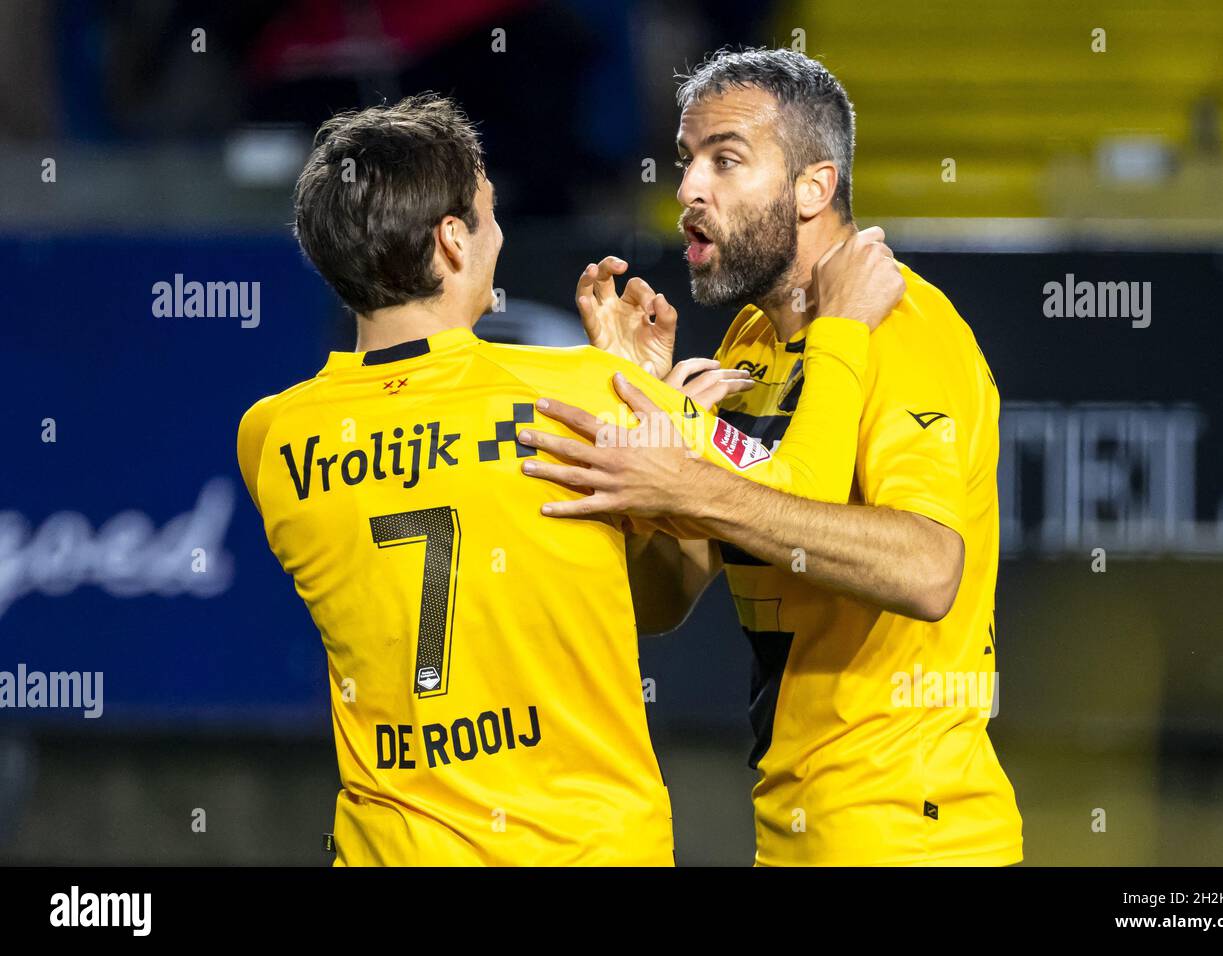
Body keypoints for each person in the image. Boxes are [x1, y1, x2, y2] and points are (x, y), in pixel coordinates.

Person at [235, 92, 903, 865]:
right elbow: (799, 502)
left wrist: (644, 416)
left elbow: (557, 560)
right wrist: (841, 330)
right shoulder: (585, 393)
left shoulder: (273, 437)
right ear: (452, 241)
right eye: (488, 213)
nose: (501, 234)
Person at [523, 48, 1023, 866]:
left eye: (725, 160)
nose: (688, 188)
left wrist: (694, 471)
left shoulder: (908, 332)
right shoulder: (750, 345)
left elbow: (929, 570)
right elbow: (664, 597)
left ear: (813, 188)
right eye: (688, 160)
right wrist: (654, 430)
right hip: (794, 827)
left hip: (908, 835)